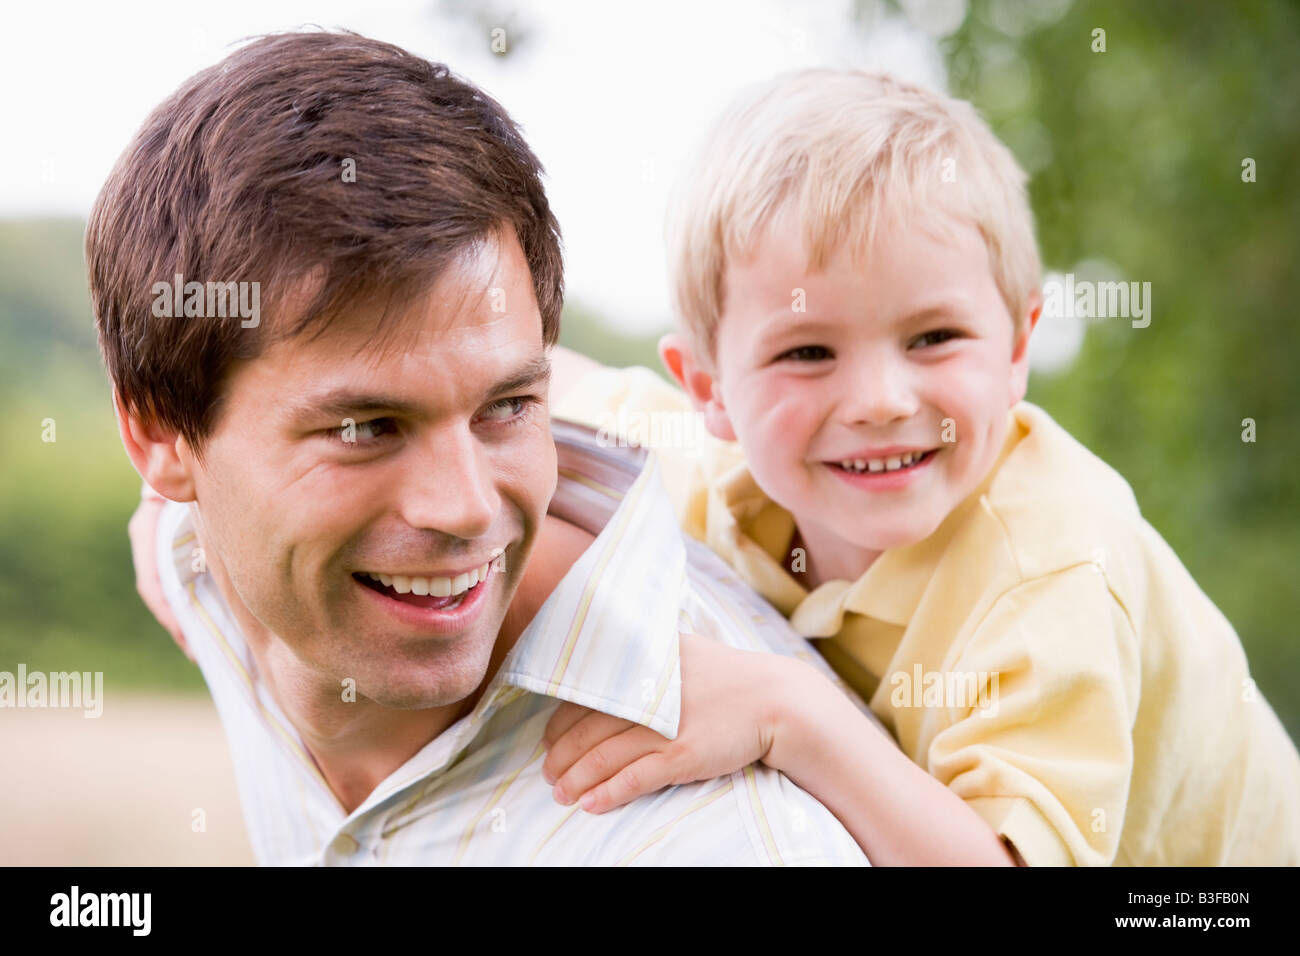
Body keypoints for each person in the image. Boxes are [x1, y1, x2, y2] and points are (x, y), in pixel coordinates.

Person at [93, 32, 873, 865]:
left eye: (505, 407)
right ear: (160, 439)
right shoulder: (193, 557)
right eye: (365, 427)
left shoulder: (714, 835)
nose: (466, 508)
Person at [535, 70, 1300, 865]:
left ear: (1016, 347)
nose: (880, 400)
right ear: (709, 389)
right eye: (807, 351)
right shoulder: (710, 469)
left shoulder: (1049, 566)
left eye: (933, 337)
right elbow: (554, 380)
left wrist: (786, 712)